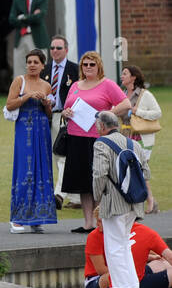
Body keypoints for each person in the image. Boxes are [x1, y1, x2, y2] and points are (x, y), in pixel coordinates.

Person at [61, 51, 131, 234]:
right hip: (76, 137)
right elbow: (67, 106)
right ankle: (88, 222)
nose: (88, 68)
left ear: (99, 66)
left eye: (92, 64)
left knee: (98, 180)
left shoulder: (107, 84)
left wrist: (107, 115)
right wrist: (65, 113)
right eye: (85, 64)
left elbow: (126, 104)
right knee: (82, 181)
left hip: (98, 139)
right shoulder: (75, 85)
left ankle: (100, 223)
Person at [91, 111, 151, 288]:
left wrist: (97, 197)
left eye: (97, 126)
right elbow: (146, 173)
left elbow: (99, 173)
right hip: (134, 202)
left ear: (102, 126)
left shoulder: (101, 143)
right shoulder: (133, 143)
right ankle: (132, 285)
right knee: (124, 243)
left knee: (114, 247)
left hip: (114, 202)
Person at [6, 48, 58, 234]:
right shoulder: (19, 81)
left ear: (43, 65)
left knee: (42, 170)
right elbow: (9, 104)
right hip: (24, 128)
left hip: (42, 129)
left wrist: (46, 104)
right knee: (25, 170)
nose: (32, 65)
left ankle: (38, 217)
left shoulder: (46, 85)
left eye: (36, 62)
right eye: (29, 62)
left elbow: (49, 113)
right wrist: (27, 96)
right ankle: (17, 218)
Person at [82, 222, 171, 288]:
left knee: (164, 263)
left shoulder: (144, 232)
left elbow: (168, 256)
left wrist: (149, 257)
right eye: (97, 221)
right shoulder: (95, 236)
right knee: (112, 276)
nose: (97, 225)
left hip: (134, 279)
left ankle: (131, 286)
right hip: (98, 282)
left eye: (101, 221)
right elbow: (101, 270)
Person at [122, 64, 161, 215]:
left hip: (142, 137)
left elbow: (157, 113)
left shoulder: (145, 95)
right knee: (132, 169)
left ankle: (150, 200)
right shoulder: (123, 93)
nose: (122, 76)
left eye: (125, 73)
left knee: (140, 168)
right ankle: (145, 201)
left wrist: (137, 111)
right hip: (126, 135)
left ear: (133, 77)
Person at [46, 36, 80, 209]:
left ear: (66, 49)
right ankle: (76, 198)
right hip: (50, 117)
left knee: (64, 157)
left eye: (58, 48)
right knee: (56, 155)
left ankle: (59, 194)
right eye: (52, 48)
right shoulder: (45, 69)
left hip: (69, 117)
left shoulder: (75, 69)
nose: (54, 51)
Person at [8, 0, 50, 77]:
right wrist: (31, 16)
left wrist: (22, 17)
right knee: (19, 68)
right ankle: (20, 92)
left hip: (37, 37)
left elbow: (39, 18)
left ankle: (40, 92)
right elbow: (12, 19)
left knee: (39, 67)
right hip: (21, 37)